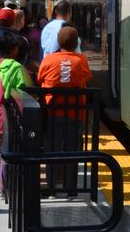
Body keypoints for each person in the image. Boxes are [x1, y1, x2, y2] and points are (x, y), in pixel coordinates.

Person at [38, 26, 92, 193]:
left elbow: (40, 78)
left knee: (52, 148)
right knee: (72, 149)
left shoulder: (48, 60)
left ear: (58, 41)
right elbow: (87, 77)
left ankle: (52, 185)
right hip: (76, 113)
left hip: (53, 112)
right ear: (76, 42)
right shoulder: (81, 60)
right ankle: (71, 186)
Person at [0, 33, 32, 198]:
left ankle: (3, 186)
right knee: (6, 152)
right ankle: (5, 189)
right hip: (5, 114)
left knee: (0, 150)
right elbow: (24, 89)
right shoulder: (15, 67)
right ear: (14, 50)